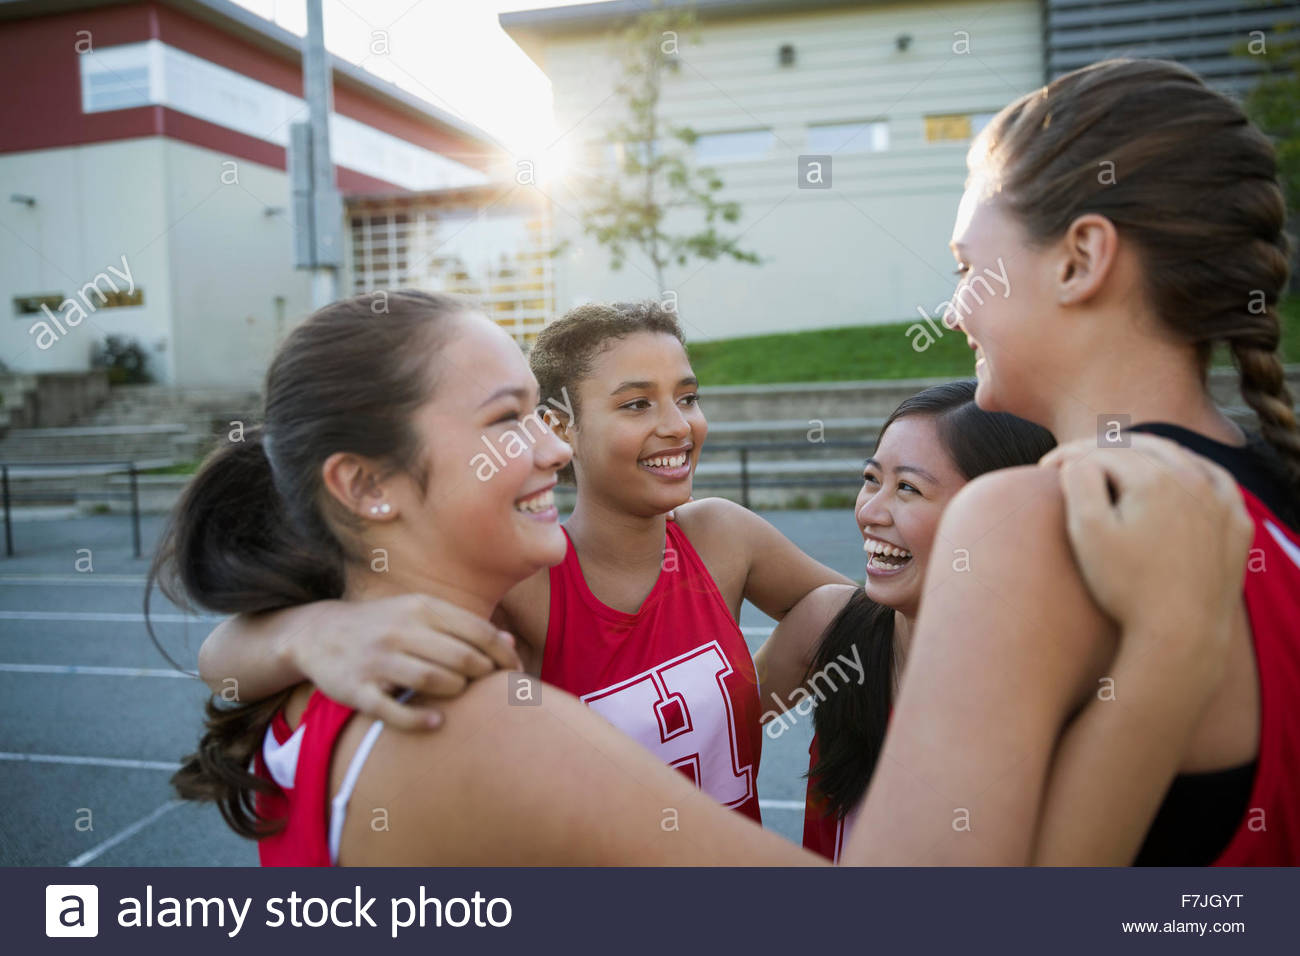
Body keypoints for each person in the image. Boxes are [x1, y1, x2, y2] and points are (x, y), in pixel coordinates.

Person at [154, 289, 1253, 865]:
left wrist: (295, 636)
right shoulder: (483, 716)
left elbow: (847, 618)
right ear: (368, 485)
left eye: (539, 417)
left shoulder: (343, 671)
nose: (547, 447)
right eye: (511, 421)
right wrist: (1168, 652)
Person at [846, 58, 1300, 866]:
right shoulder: (1279, 502)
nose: (952, 310)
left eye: (965, 268)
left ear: (1080, 258)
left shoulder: (1031, 526)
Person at [199, 301, 855, 821]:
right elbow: (226, 656)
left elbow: (869, 626)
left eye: (687, 396)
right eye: (635, 403)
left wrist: (741, 705)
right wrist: (307, 631)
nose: (678, 425)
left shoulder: (719, 534)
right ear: (563, 424)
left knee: (833, 611)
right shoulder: (522, 589)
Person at [749, 381, 1057, 861]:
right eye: (872, 478)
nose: (870, 511)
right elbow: (692, 747)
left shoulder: (1056, 693)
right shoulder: (829, 627)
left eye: (908, 488)